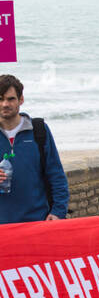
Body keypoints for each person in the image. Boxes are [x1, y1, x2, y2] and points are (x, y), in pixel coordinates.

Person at [0, 75, 68, 225]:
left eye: (11, 99)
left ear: (21, 99)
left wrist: (58, 212)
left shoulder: (39, 130)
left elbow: (56, 174)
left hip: (37, 222)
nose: (5, 104)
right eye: (0, 99)